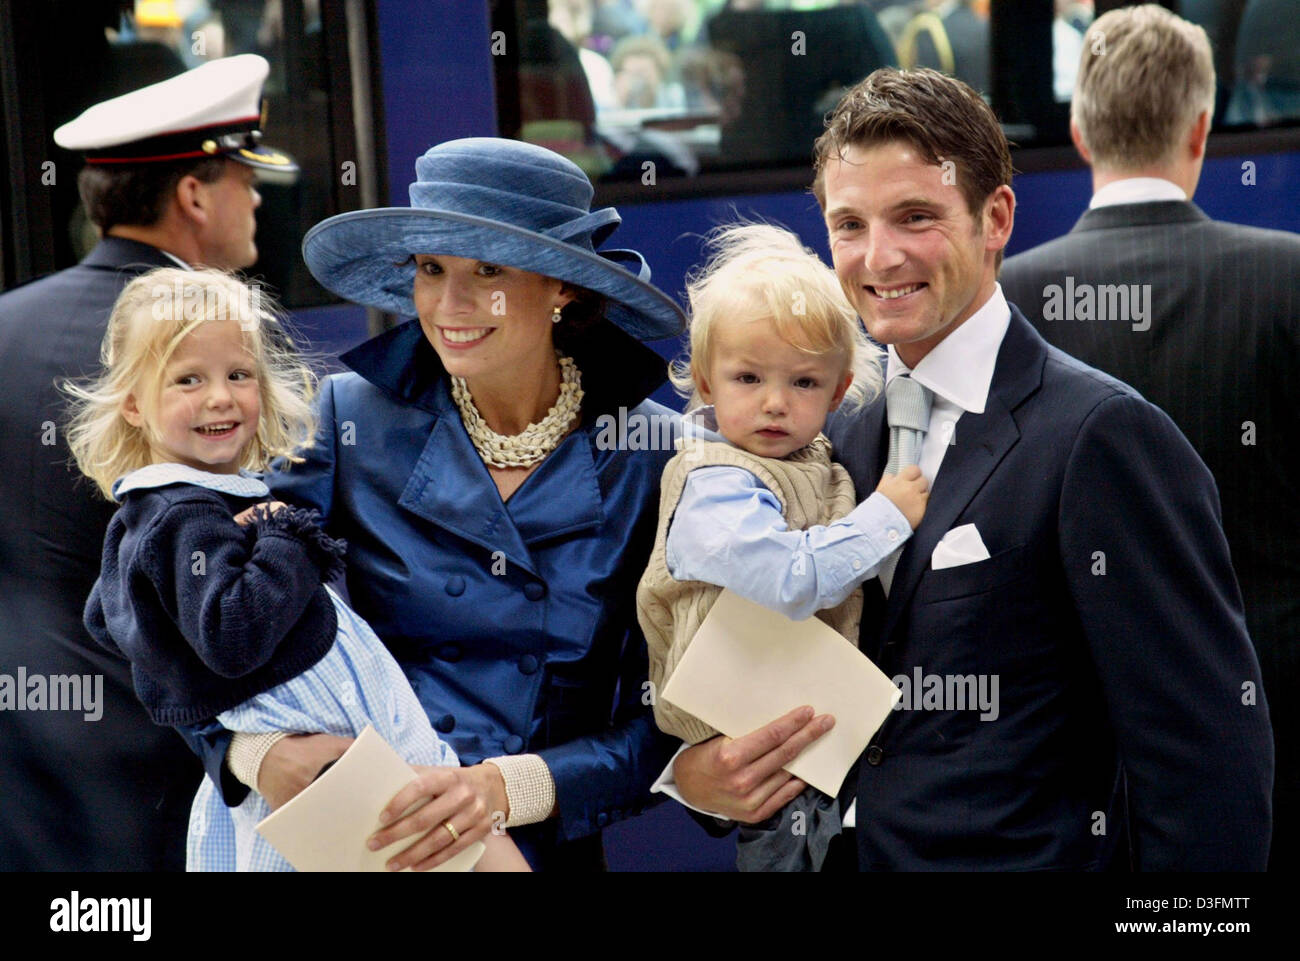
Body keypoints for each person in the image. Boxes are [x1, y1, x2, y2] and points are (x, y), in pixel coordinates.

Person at [663, 67, 1274, 870]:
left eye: (915, 216)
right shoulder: (823, 430)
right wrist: (698, 779)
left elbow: (1203, 758)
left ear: (997, 218)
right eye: (849, 224)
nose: (879, 256)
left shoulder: (1101, 436)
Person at [182, 137, 688, 871]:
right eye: (430, 268)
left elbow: (669, 720)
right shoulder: (346, 421)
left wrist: (506, 789)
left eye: (488, 269)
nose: (450, 304)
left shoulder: (655, 455)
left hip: (536, 851)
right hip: (370, 843)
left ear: (563, 287)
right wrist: (252, 754)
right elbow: (199, 620)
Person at [64, 267, 529, 873]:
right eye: (188, 380)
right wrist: (288, 536)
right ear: (132, 404)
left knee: (471, 842)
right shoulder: (183, 513)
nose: (220, 397)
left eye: (238, 375)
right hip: (325, 751)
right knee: (473, 847)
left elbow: (111, 618)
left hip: (343, 746)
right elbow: (231, 633)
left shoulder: (189, 503)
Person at [999, 4, 1300, 869]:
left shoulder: (1006, 303)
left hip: (1066, 747)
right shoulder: (1286, 279)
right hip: (1272, 721)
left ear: (1079, 133)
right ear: (1201, 129)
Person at [0, 54, 297, 871]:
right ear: (194, 196)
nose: (257, 199)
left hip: (22, 784)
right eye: (245, 178)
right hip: (176, 788)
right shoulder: (223, 356)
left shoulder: (6, 323)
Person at [636, 223, 928, 871]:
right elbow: (789, 581)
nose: (774, 403)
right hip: (745, 742)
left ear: (839, 388)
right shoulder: (713, 482)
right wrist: (887, 516)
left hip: (808, 736)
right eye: (747, 377)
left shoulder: (816, 460)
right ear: (705, 382)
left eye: (803, 383)